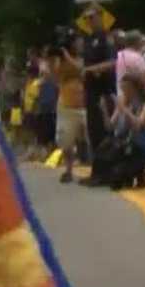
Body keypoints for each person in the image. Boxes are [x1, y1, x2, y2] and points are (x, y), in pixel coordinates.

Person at [81, 4, 117, 163]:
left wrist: (90, 69)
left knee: (104, 130)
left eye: (91, 17)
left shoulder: (105, 37)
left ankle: (107, 168)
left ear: (100, 17)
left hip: (103, 90)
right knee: (93, 130)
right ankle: (98, 169)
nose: (89, 21)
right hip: (91, 91)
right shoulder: (88, 39)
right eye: (86, 18)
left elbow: (112, 62)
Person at [55, 35, 88, 183]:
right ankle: (68, 170)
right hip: (66, 105)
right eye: (77, 42)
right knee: (66, 141)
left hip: (84, 104)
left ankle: (95, 168)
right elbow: (55, 76)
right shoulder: (60, 61)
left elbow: (82, 70)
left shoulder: (85, 58)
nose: (80, 45)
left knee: (89, 138)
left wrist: (67, 57)